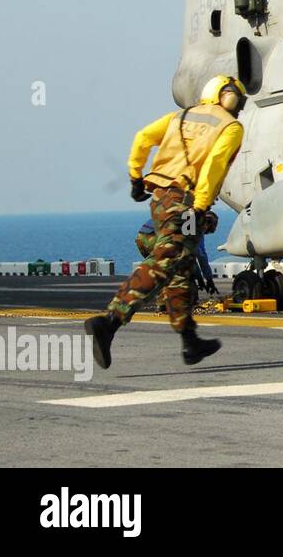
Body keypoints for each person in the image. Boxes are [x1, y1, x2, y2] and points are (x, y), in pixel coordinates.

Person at [84, 75, 247, 368]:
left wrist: (135, 177)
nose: (239, 109)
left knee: (181, 265)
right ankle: (108, 322)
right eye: (239, 102)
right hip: (185, 201)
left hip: (161, 198)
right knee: (167, 260)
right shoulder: (231, 127)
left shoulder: (180, 116)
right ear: (230, 98)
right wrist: (199, 207)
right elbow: (215, 164)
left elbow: (143, 137)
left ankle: (189, 340)